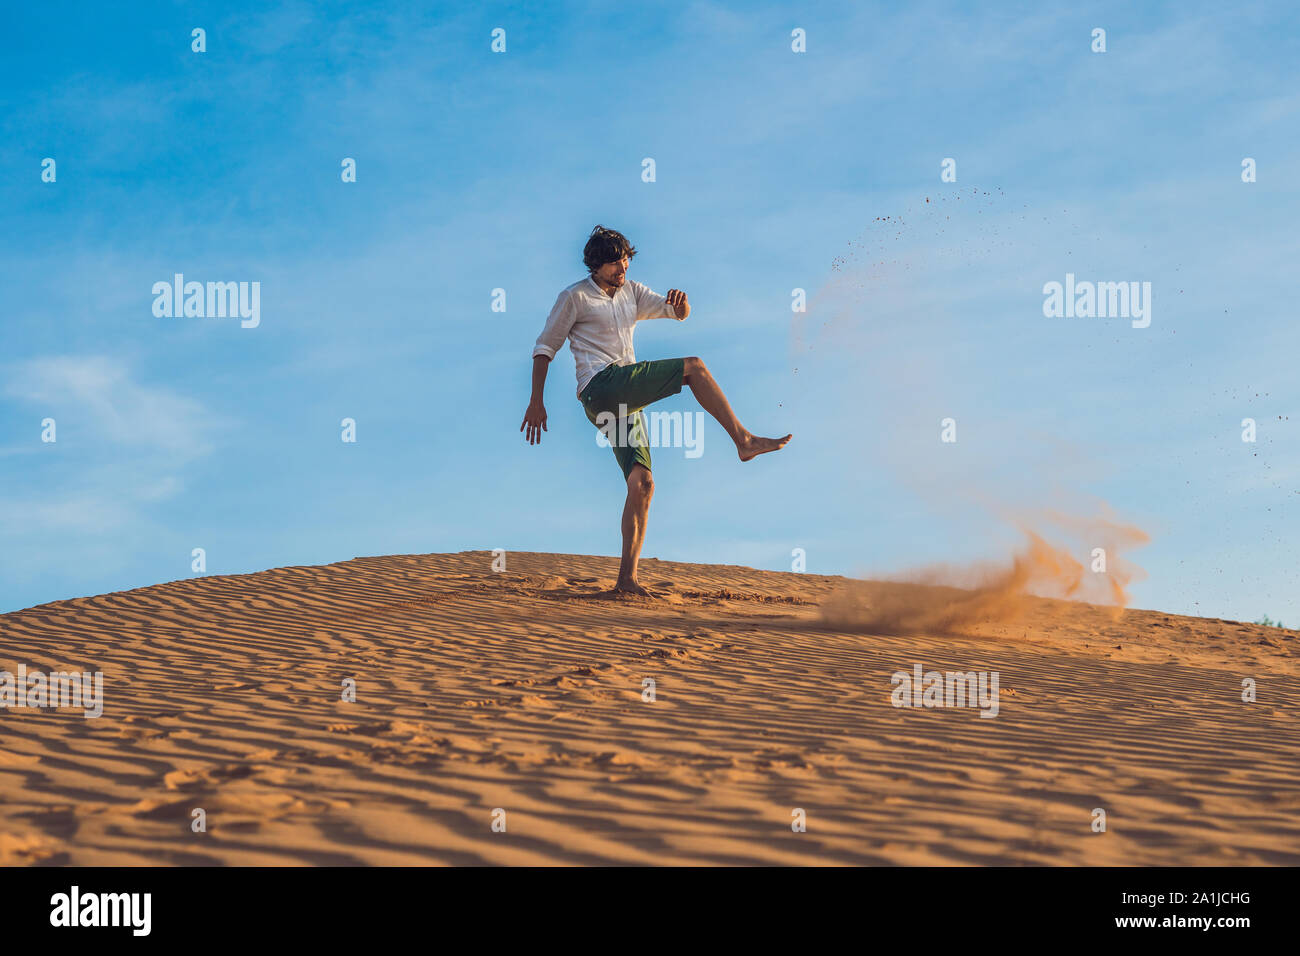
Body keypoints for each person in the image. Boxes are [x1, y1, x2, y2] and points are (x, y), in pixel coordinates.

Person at [522, 225, 791, 596]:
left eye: (626, 258)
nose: (623, 266)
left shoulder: (631, 292)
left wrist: (682, 307)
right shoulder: (574, 297)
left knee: (642, 483)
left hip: (623, 401)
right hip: (601, 388)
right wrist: (536, 401)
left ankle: (626, 580)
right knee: (694, 367)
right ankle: (744, 440)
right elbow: (543, 348)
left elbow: (675, 312)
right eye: (614, 261)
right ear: (596, 265)